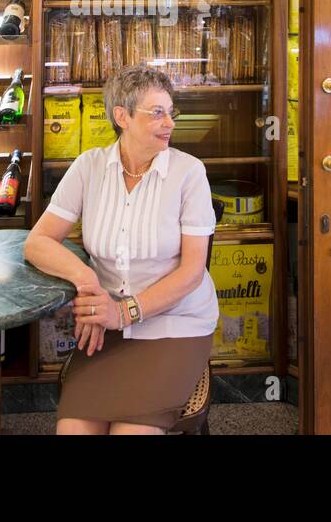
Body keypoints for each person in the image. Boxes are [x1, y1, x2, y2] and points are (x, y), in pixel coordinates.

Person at [24, 65, 218, 434]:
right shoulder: (89, 167)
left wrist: (125, 312)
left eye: (170, 112)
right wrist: (87, 281)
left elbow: (192, 271)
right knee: (73, 430)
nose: (169, 123)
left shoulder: (188, 173)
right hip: (107, 325)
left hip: (174, 324)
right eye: (156, 112)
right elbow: (38, 241)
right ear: (122, 116)